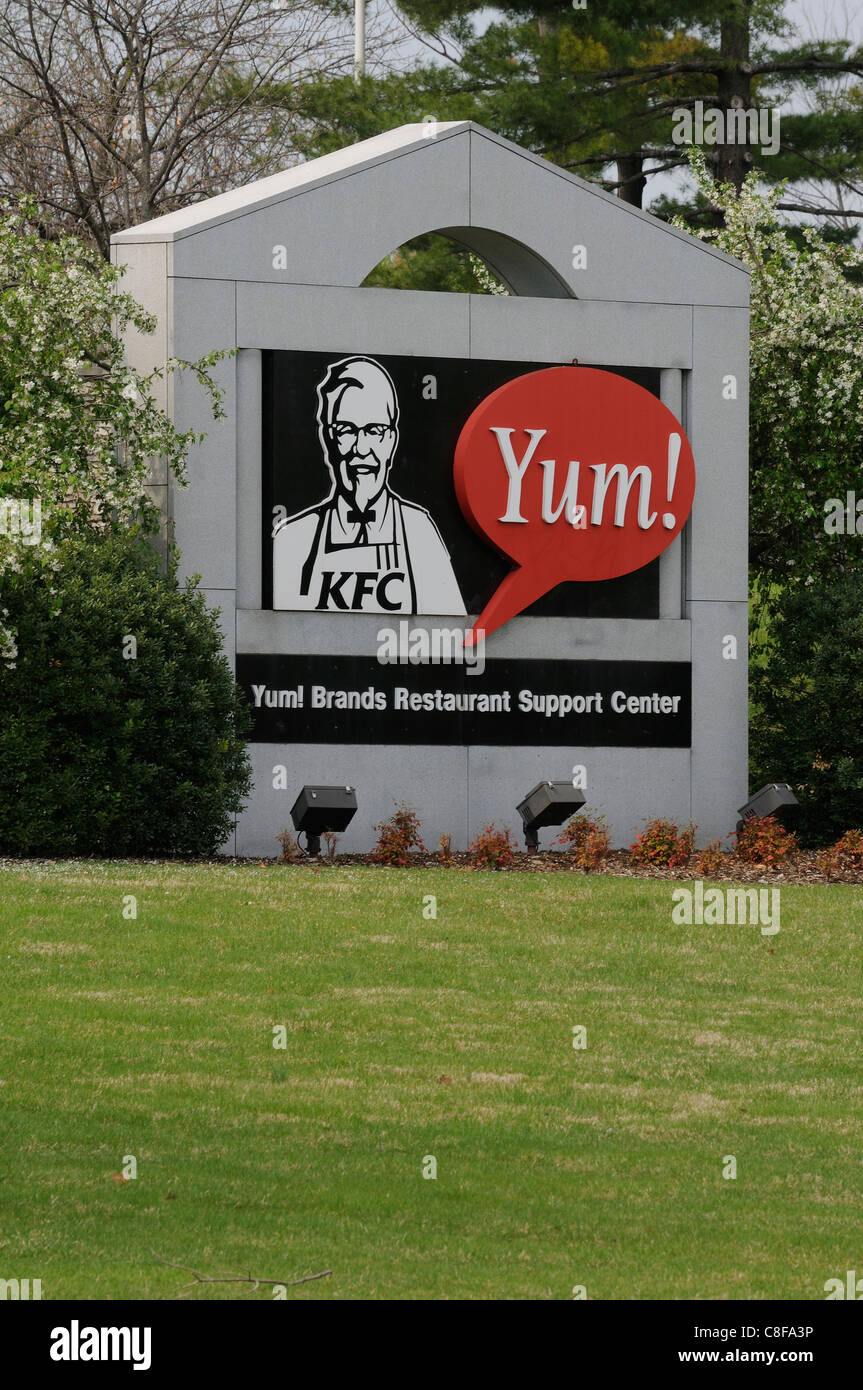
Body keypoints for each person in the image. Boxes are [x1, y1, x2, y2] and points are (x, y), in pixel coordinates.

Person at [273, 356, 466, 615]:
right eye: (346, 430)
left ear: (391, 440)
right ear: (328, 439)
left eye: (374, 430)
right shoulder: (293, 540)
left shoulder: (419, 532)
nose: (361, 449)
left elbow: (452, 640)